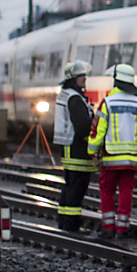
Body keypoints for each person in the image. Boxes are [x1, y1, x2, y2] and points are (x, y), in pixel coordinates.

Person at [87, 64, 137, 239]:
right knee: (126, 191)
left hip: (110, 157)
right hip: (131, 159)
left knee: (107, 191)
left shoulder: (108, 103)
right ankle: (122, 229)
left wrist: (92, 153)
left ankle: (108, 228)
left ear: (116, 80)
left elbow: (97, 132)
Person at [53, 60, 95, 232]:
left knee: (70, 186)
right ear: (73, 79)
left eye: (84, 76)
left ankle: (64, 222)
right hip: (77, 148)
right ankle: (71, 226)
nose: (84, 79)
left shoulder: (66, 95)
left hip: (67, 146)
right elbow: (83, 126)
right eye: (80, 76)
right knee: (77, 187)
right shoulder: (75, 98)